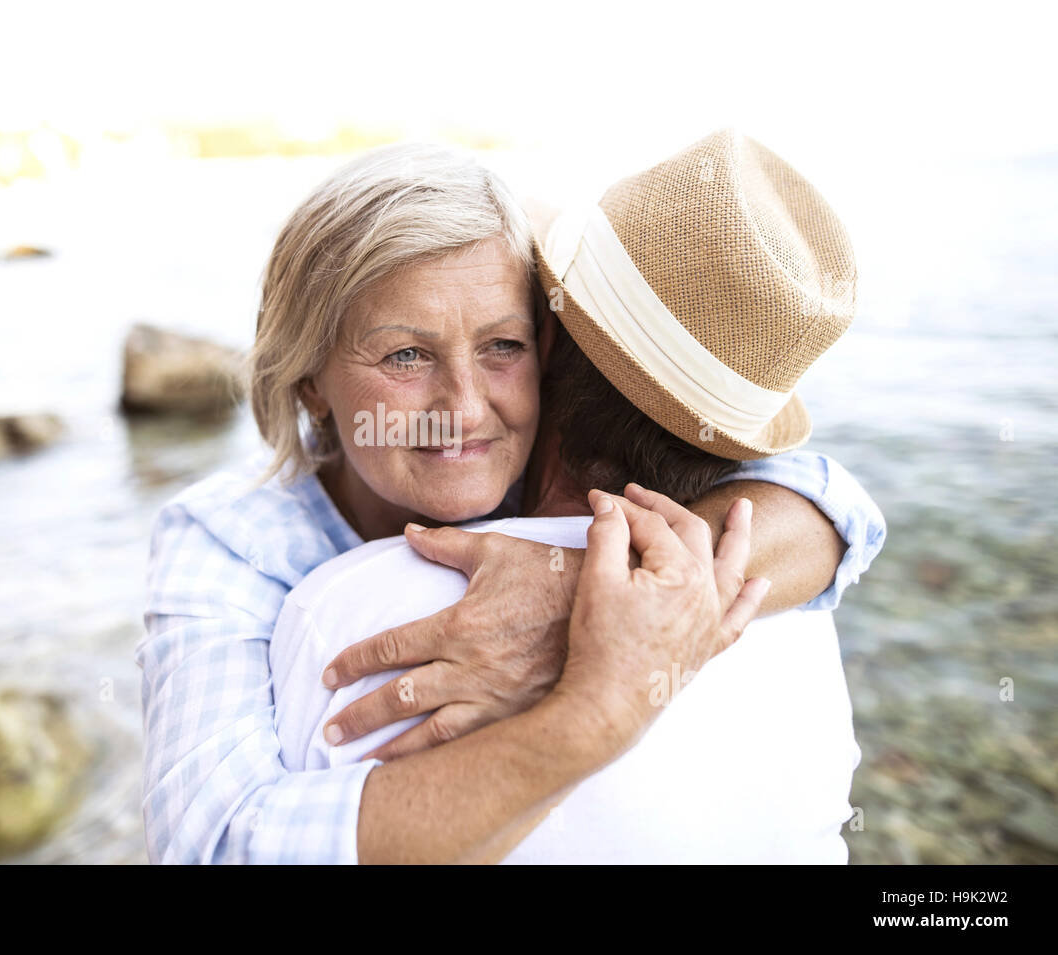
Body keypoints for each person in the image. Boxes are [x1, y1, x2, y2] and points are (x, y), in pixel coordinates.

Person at [138, 137, 885, 863]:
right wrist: (591, 717)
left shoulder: (570, 478)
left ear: (550, 343)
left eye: (504, 345)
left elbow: (833, 500)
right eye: (405, 354)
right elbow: (212, 843)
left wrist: (574, 584)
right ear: (307, 379)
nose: (464, 409)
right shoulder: (230, 541)